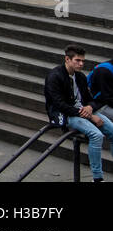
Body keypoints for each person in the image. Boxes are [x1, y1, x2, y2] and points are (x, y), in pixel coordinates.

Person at [43, 46, 113, 181]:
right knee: (96, 135)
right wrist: (90, 115)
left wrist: (90, 107)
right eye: (77, 60)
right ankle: (97, 178)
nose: (81, 64)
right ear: (67, 59)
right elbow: (60, 105)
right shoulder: (54, 76)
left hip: (82, 112)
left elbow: (90, 99)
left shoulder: (80, 76)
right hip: (64, 114)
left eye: (83, 61)